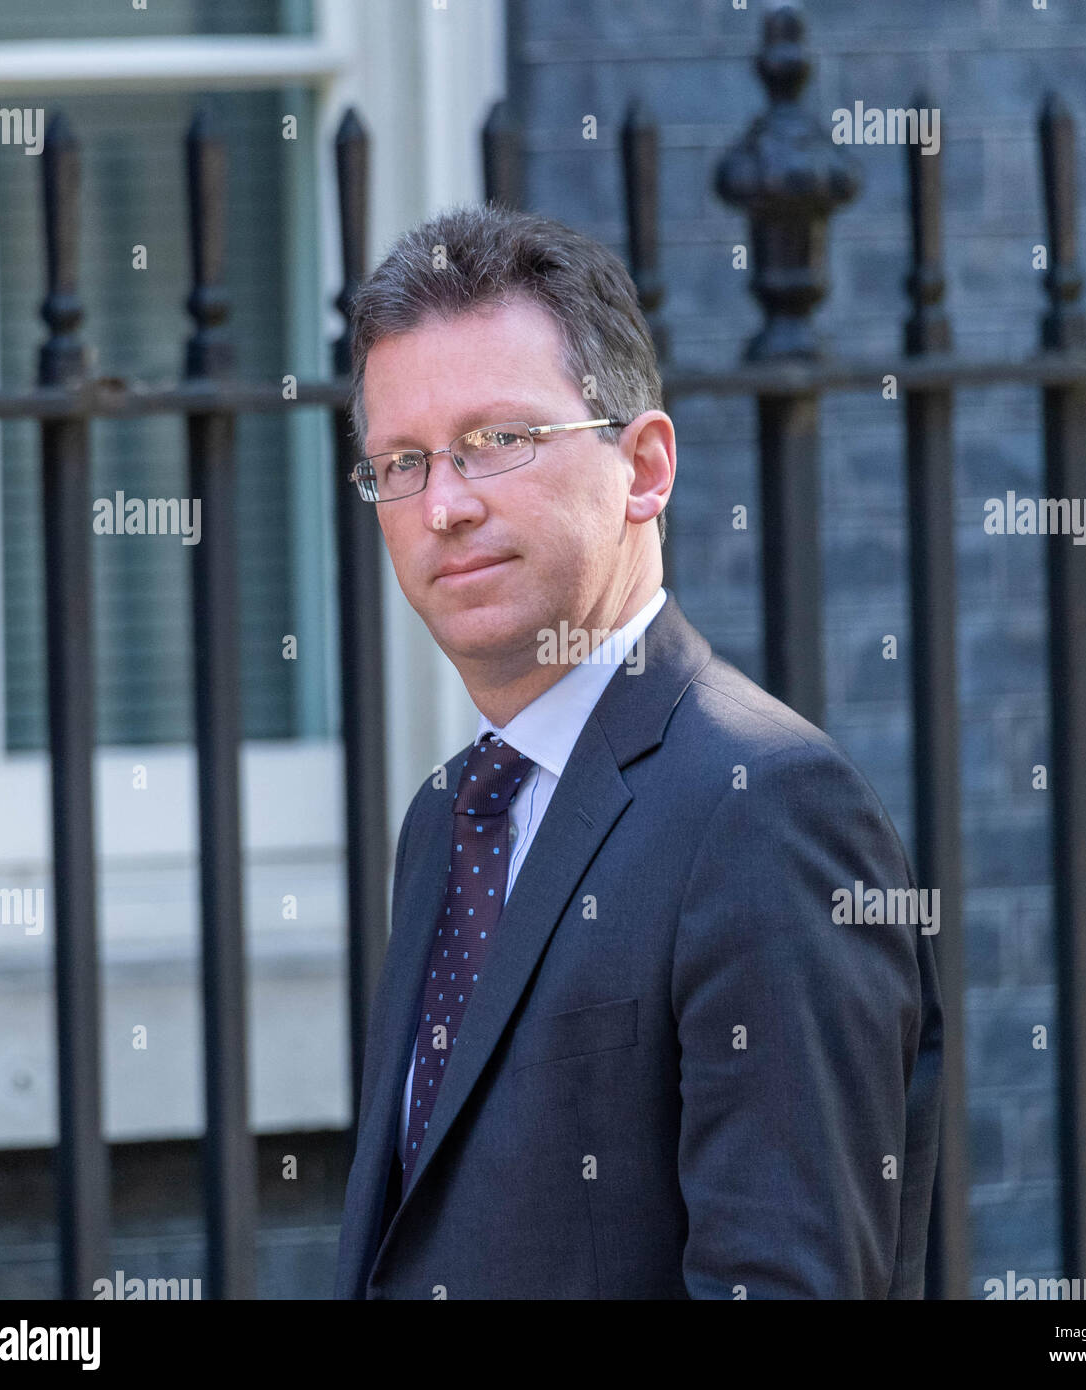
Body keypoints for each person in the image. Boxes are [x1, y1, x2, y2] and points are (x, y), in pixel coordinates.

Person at [333, 203, 942, 1299]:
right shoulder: (443, 819)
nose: (446, 504)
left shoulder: (765, 807)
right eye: (402, 461)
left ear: (645, 466)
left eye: (496, 441)